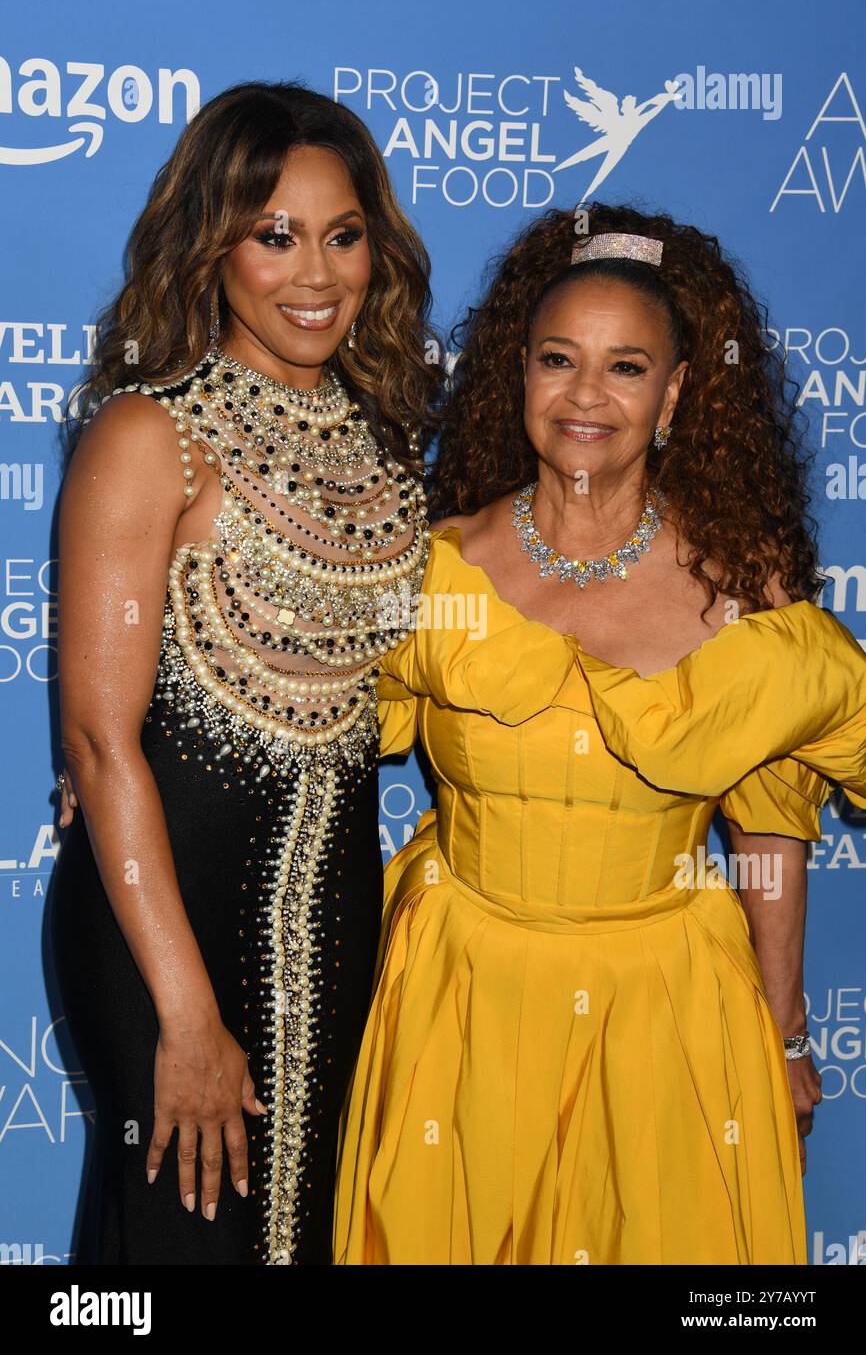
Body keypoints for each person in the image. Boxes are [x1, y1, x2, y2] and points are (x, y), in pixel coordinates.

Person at [332, 206, 866, 1265]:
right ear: (518, 374)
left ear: (674, 393)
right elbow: (307, 726)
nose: (586, 395)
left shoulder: (742, 587)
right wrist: (115, 748)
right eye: (557, 359)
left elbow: (767, 823)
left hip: (671, 1004)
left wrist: (782, 1027)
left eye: (626, 367)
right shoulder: (433, 565)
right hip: (459, 995)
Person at [49, 80, 440, 1265]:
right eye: (274, 236)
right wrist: (183, 1012)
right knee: (182, 1235)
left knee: (298, 1233)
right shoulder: (147, 436)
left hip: (334, 903)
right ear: (211, 247)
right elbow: (100, 743)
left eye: (342, 235)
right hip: (160, 916)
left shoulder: (384, 437)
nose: (314, 274)